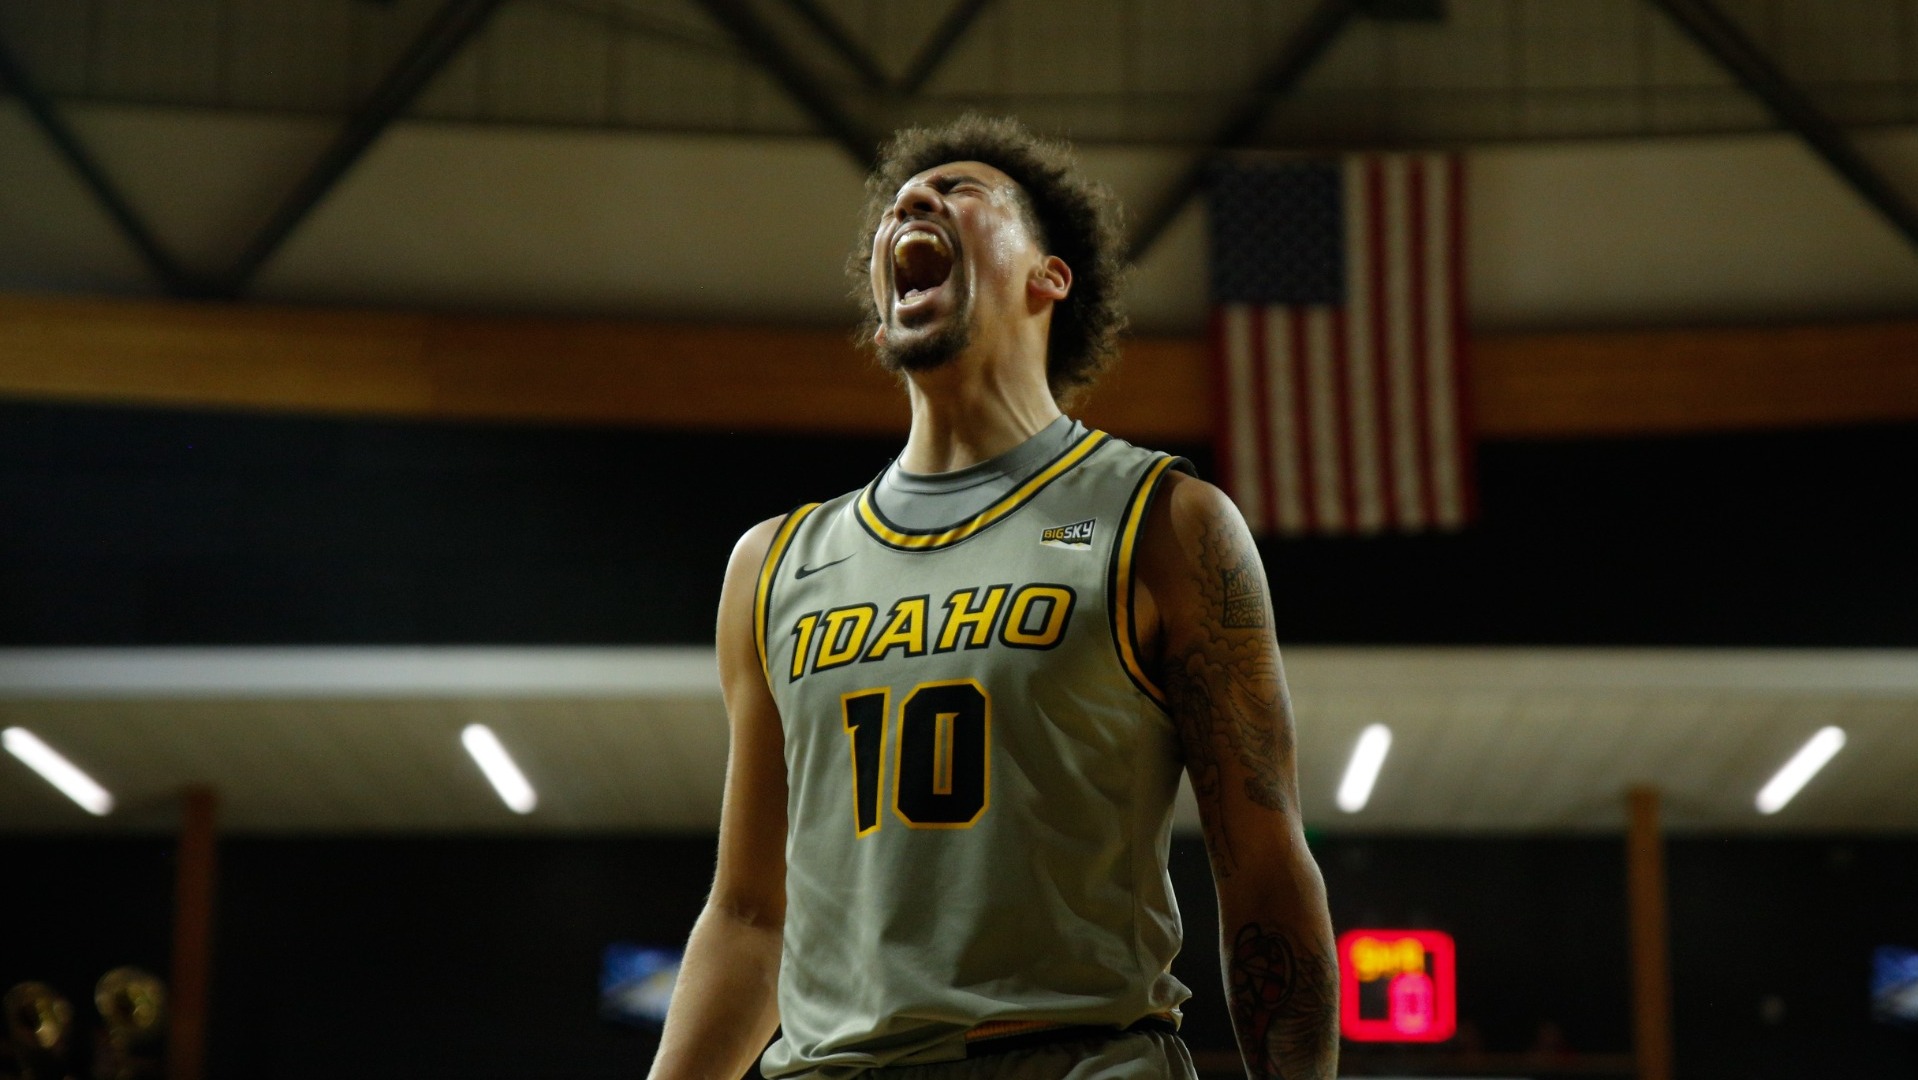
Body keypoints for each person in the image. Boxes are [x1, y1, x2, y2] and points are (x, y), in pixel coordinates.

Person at [646, 114, 1337, 1080]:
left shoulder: (1165, 524)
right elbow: (753, 914)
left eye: (961, 190)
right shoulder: (774, 565)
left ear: (1048, 277)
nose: (910, 203)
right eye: (898, 202)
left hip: (1078, 1058)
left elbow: (1262, 870)